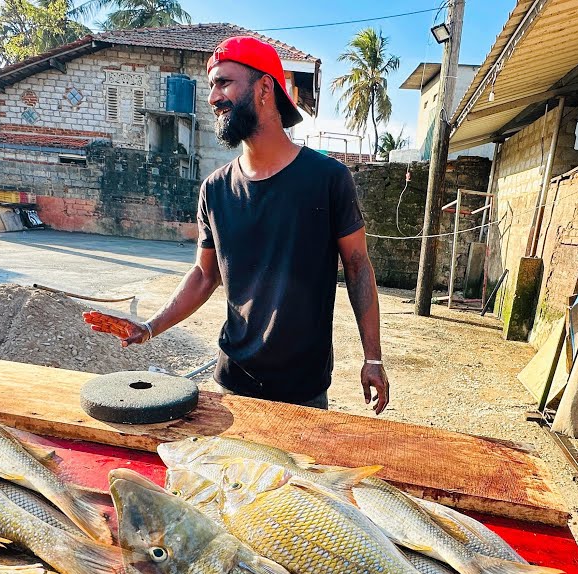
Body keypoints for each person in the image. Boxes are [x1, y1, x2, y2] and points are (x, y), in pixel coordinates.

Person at [92, 36, 389, 414]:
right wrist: (150, 327)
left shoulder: (327, 178)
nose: (214, 97)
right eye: (211, 85)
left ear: (265, 88)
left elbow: (358, 265)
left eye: (225, 82)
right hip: (232, 382)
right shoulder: (214, 190)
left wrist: (373, 358)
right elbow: (204, 275)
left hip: (304, 392)